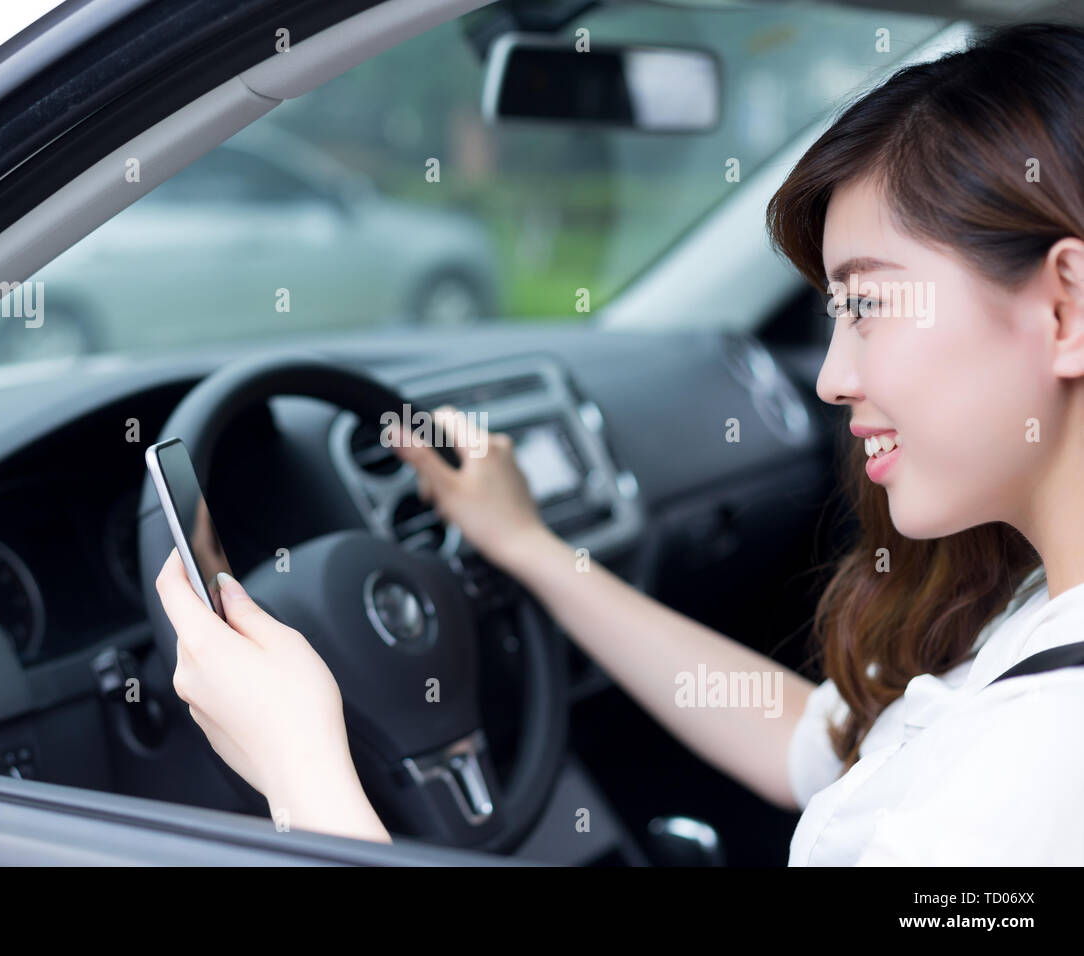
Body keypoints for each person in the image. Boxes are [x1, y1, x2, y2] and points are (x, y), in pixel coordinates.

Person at [154, 21, 1084, 863]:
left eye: (869, 304)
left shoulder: (1027, 781)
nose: (830, 376)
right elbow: (829, 746)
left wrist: (300, 772)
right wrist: (533, 552)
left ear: (1065, 307)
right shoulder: (1040, 610)